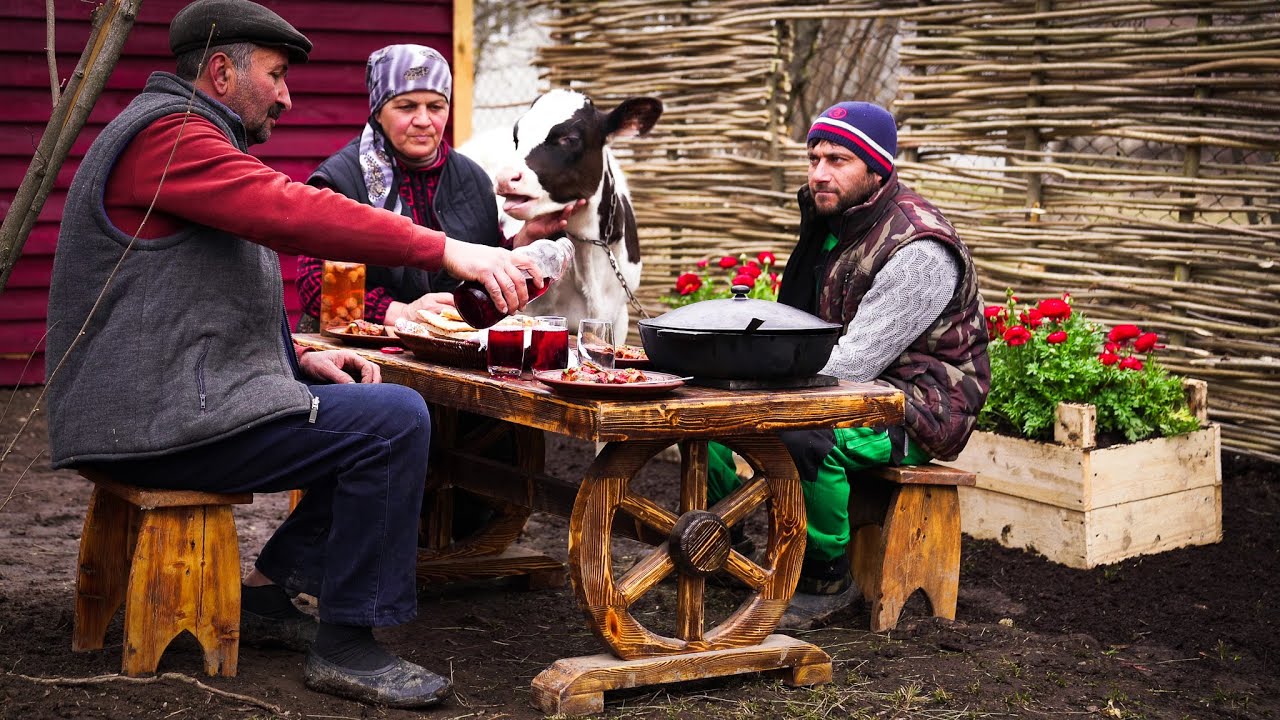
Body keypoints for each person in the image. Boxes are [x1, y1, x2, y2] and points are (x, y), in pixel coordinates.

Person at [43, 0, 542, 709]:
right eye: (276, 75)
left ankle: (272, 594)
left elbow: (206, 285)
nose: (286, 93)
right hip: (153, 420)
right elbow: (287, 209)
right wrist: (445, 248)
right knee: (393, 420)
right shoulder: (170, 138)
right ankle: (348, 646)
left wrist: (297, 359)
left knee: (371, 413)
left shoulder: (184, 135)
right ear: (221, 71)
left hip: (164, 402)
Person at [707, 101, 991, 629]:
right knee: (703, 421)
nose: (819, 173)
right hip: (855, 381)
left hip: (916, 406)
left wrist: (763, 383)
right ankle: (721, 545)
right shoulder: (837, 220)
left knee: (804, 432)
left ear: (877, 167)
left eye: (838, 160)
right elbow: (804, 326)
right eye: (813, 157)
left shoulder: (919, 247)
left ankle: (823, 576)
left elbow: (856, 362)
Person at [295, 43, 578, 331]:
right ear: (378, 111)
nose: (423, 120)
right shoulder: (340, 180)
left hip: (448, 349)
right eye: (406, 106)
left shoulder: (472, 179)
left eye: (436, 106)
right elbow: (313, 282)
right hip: (363, 349)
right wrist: (401, 312)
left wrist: (523, 241)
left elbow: (481, 258)